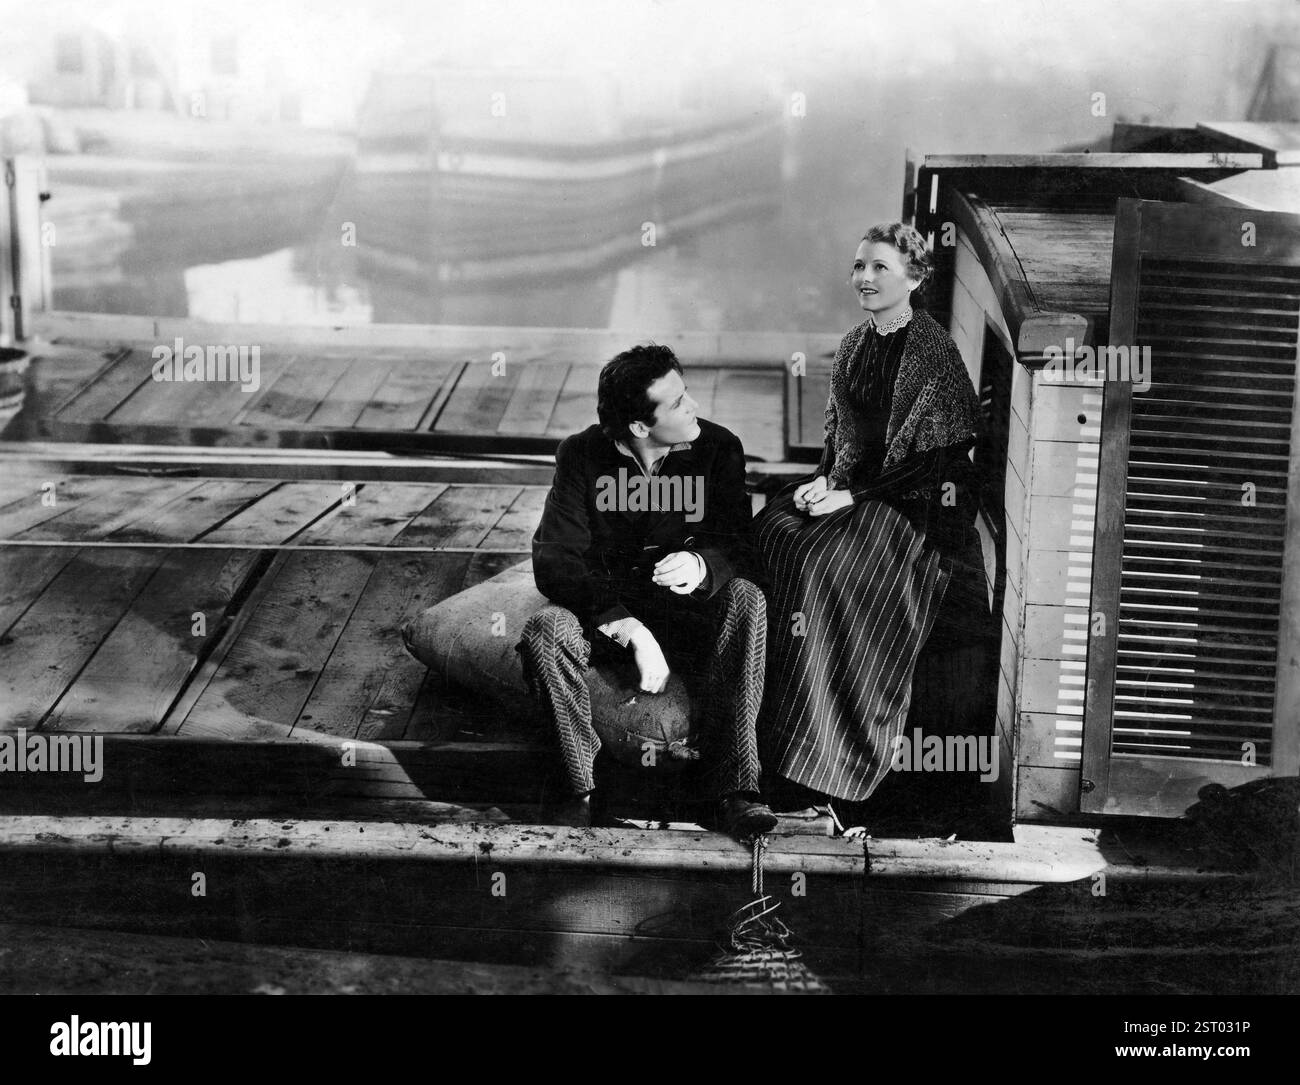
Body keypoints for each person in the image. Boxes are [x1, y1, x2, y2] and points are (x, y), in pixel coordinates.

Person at [755, 222, 988, 818]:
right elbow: (843, 435)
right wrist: (823, 479)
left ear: (914, 277)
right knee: (774, 527)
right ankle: (762, 733)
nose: (864, 278)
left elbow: (935, 460)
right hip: (861, 486)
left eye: (880, 268)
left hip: (921, 502)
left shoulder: (933, 352)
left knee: (817, 562)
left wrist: (852, 497)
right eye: (859, 266)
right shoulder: (858, 341)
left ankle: (827, 752)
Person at [518, 343, 778, 840]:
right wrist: (627, 627)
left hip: (688, 617)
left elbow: (740, 544)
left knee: (747, 598)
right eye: (678, 402)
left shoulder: (719, 448)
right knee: (545, 629)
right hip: (609, 616)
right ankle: (580, 794)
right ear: (640, 427)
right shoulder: (581, 454)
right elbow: (554, 559)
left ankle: (736, 790)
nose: (694, 406)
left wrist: (704, 564)